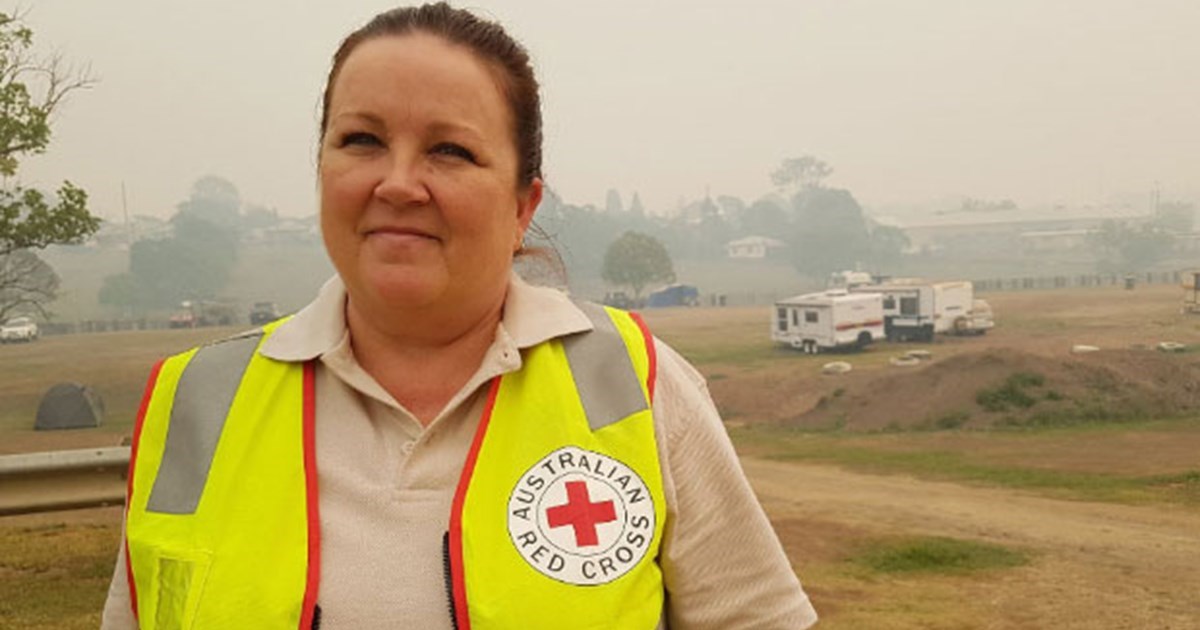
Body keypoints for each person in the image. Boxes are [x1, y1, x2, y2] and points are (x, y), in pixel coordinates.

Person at [101, 3, 817, 628]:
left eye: (450, 150)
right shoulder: (195, 401)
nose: (398, 183)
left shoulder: (636, 381)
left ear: (522, 206)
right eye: (361, 140)